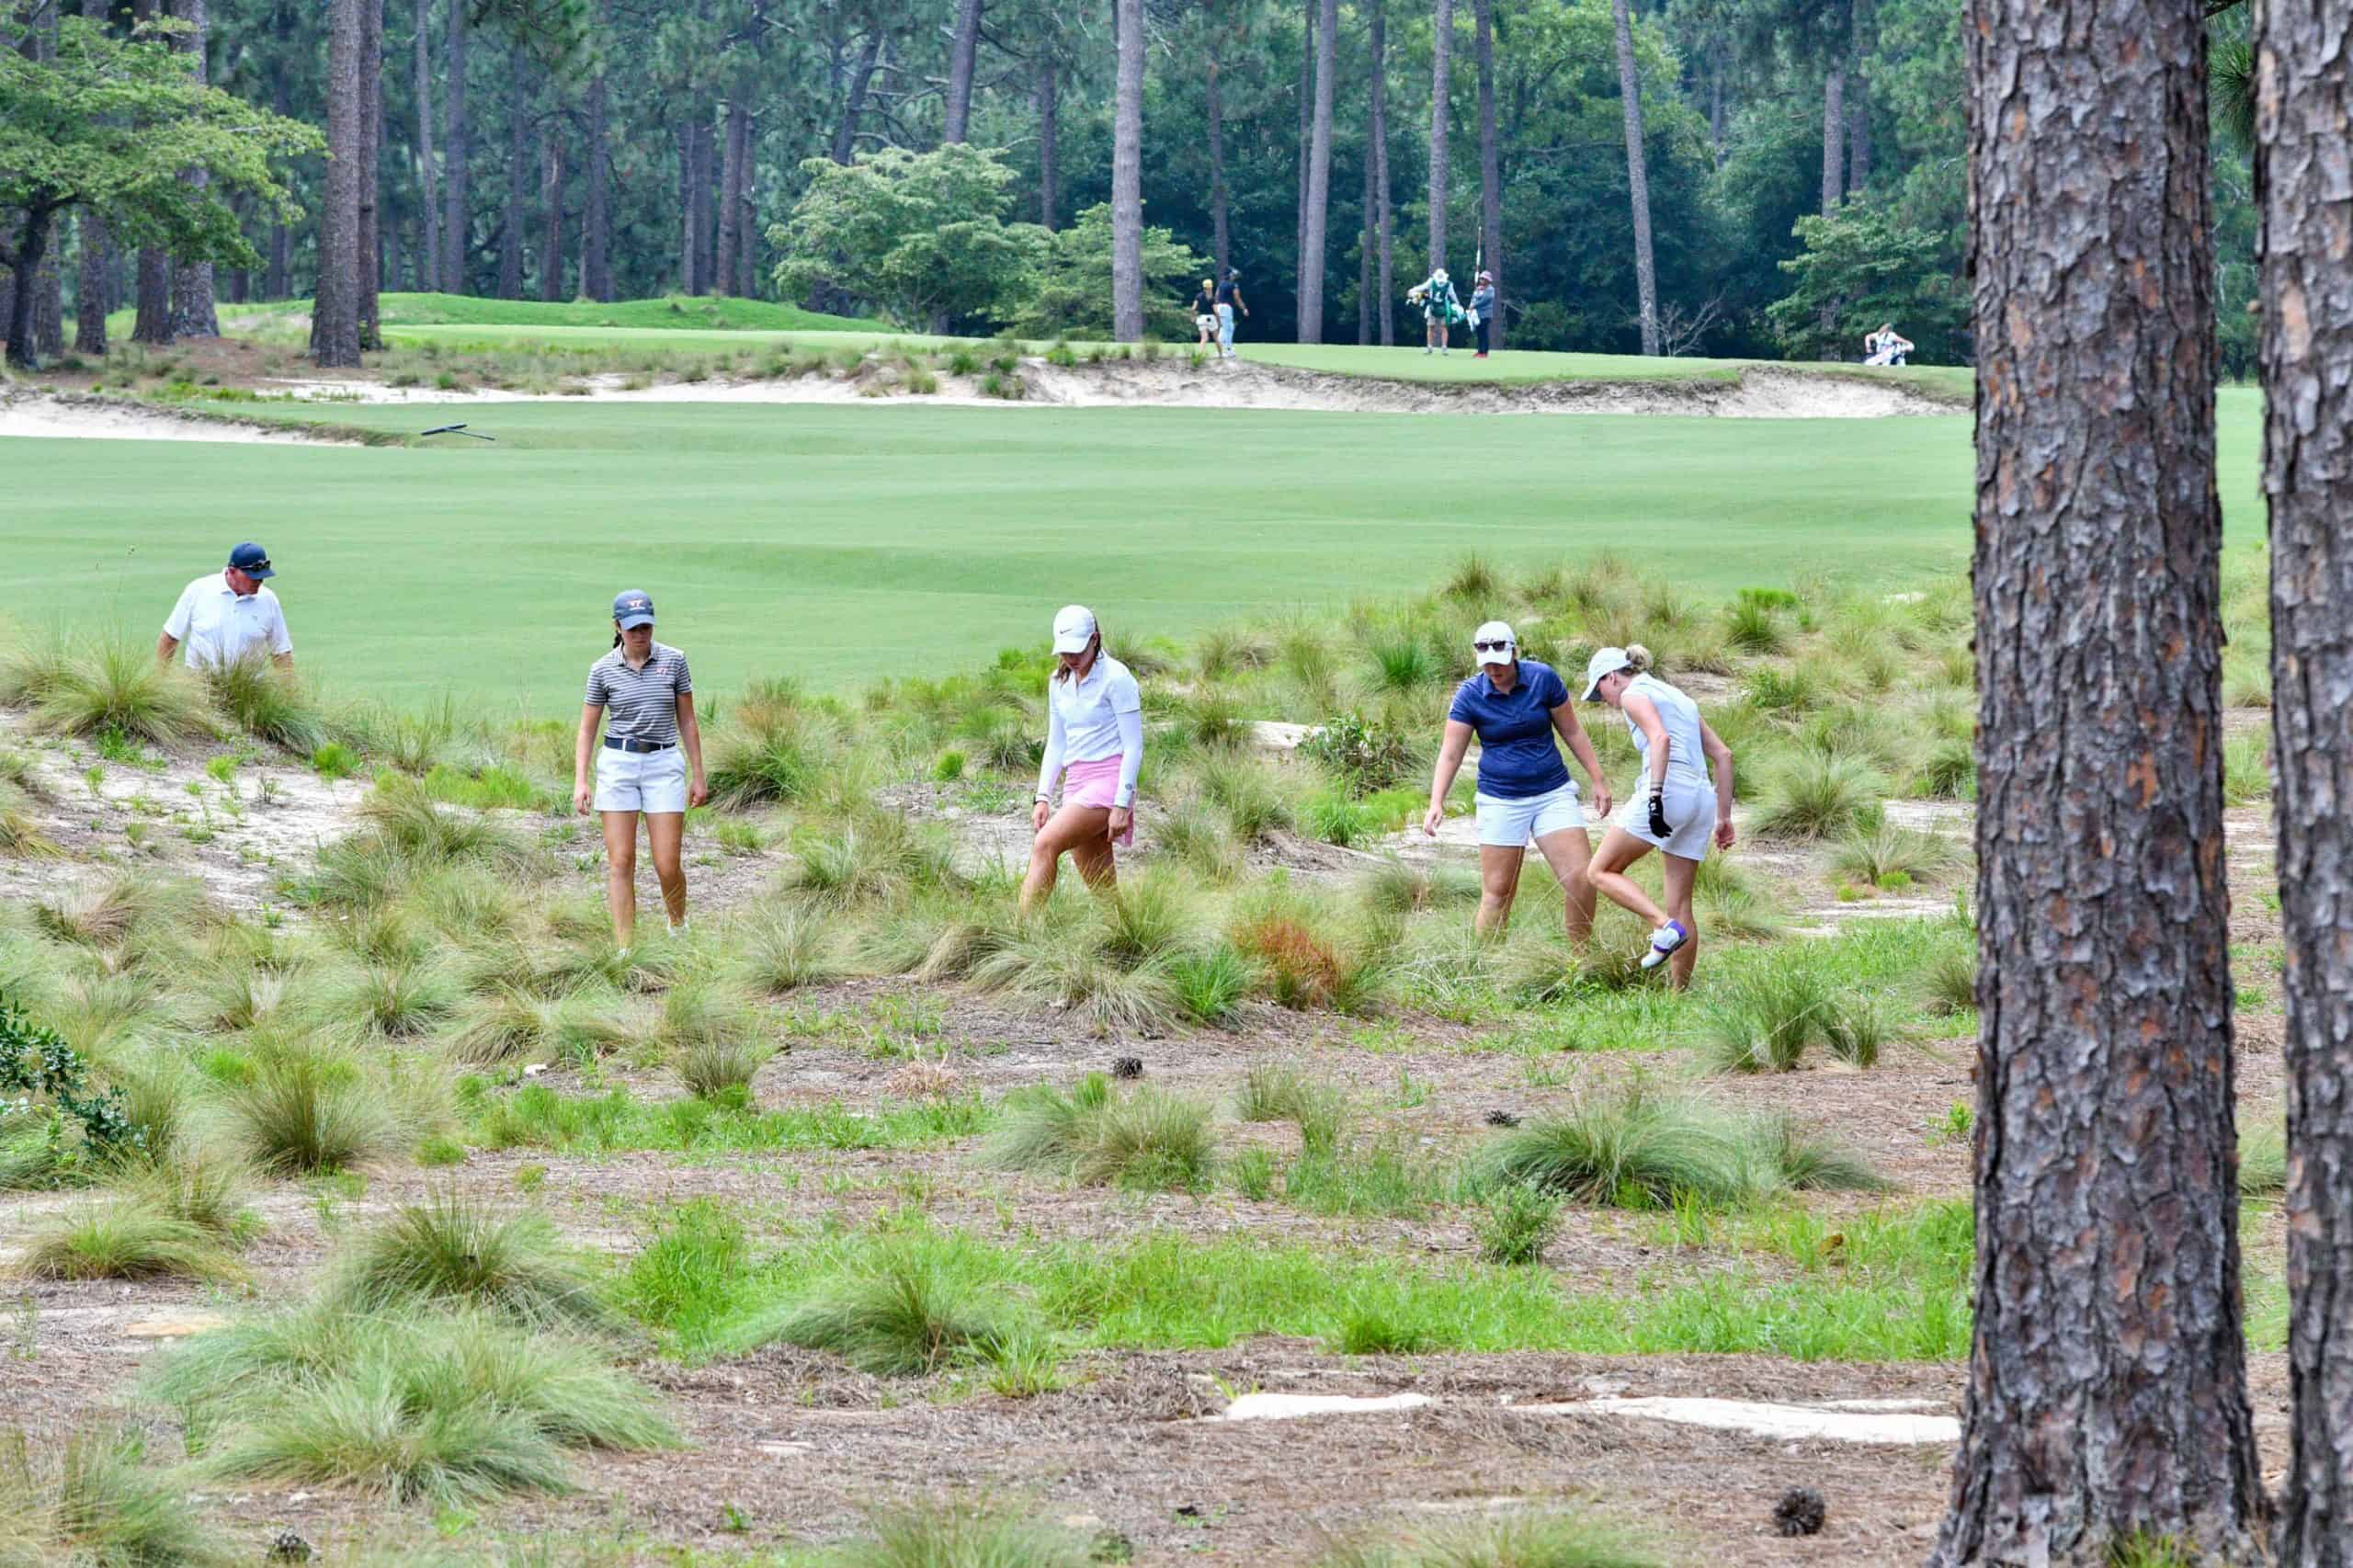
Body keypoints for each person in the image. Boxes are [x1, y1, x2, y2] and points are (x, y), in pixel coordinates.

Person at [1423, 621, 1614, 941]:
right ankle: (1484, 965)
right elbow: (1451, 754)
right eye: (1487, 664)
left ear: (1515, 652)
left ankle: (1581, 959)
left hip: (1552, 793)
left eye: (1500, 660)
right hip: (1500, 799)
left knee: (1581, 879)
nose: (1494, 669)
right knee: (1498, 892)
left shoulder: (1543, 678)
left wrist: (1598, 779)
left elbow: (1572, 731)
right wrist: (1436, 801)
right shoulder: (1469, 695)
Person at [1578, 644, 1736, 988]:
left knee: (1600, 871)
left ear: (1611, 677)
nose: (1603, 699)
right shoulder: (1677, 696)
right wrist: (1723, 818)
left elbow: (1659, 739)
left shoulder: (1634, 694)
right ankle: (1679, 994)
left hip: (1669, 789)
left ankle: (1664, 928)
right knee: (1681, 903)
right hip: (1701, 797)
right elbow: (1723, 755)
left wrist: (1654, 798)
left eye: (1599, 691)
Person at [574, 590, 708, 951]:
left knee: (667, 863)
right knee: (621, 860)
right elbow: (587, 728)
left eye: (646, 626)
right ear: (617, 627)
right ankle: (624, 949)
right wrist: (581, 780)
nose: (640, 633)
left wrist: (698, 774)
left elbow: (688, 720)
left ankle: (678, 926)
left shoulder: (674, 661)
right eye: (632, 628)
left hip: (663, 762)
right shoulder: (602, 669)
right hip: (619, 764)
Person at [1024, 605, 1142, 910]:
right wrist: (1042, 796)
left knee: (1045, 844)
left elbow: (1133, 746)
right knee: (1103, 890)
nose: (1070, 657)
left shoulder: (1117, 678)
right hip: (1076, 782)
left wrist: (1121, 804)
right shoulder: (1058, 682)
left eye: (1077, 649)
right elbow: (1057, 743)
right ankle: (1128, 939)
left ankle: (1017, 933)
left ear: (1095, 639)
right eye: (1064, 651)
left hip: (1109, 781)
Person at [156, 542, 293, 673]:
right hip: (199, 685)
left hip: (249, 689)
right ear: (232, 571)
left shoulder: (269, 599)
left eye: (262, 576)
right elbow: (170, 637)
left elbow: (281, 653)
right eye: (253, 576)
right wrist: (160, 681)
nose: (260, 581)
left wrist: (290, 695)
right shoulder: (198, 590)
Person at [1406, 267, 1461, 355]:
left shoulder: (1449, 284)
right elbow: (1422, 287)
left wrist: (1458, 304)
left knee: (1444, 327)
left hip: (1444, 308)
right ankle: (1429, 347)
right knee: (1430, 327)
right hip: (1432, 307)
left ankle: (1444, 348)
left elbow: (1452, 294)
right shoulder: (1431, 282)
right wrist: (1413, 290)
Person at [1213, 268, 1249, 359]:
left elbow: (1216, 296)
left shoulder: (1221, 284)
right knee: (1226, 329)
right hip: (1226, 308)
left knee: (1228, 328)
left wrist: (1217, 307)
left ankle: (1225, 349)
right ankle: (1224, 350)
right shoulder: (1234, 285)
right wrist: (1244, 308)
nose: (1233, 276)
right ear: (1229, 275)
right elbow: (1237, 298)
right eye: (1232, 274)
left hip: (1220, 307)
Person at [1469, 271, 1497, 358]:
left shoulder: (1490, 289)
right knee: (1479, 333)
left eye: (1484, 279)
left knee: (1484, 333)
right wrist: (1471, 304)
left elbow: (1485, 300)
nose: (1482, 280)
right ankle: (1480, 351)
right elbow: (1474, 298)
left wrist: (1474, 305)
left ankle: (1484, 352)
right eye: (1481, 278)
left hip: (1485, 314)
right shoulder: (1478, 289)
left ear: (1488, 280)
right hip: (1477, 315)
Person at [1191, 279, 1220, 349]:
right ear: (1211, 287)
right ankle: (1221, 354)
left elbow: (1193, 309)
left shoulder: (1198, 296)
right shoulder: (1212, 298)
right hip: (1211, 318)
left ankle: (1200, 355)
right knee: (1216, 338)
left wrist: (1193, 318)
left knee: (1204, 338)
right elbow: (1216, 311)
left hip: (1201, 318)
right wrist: (1219, 321)